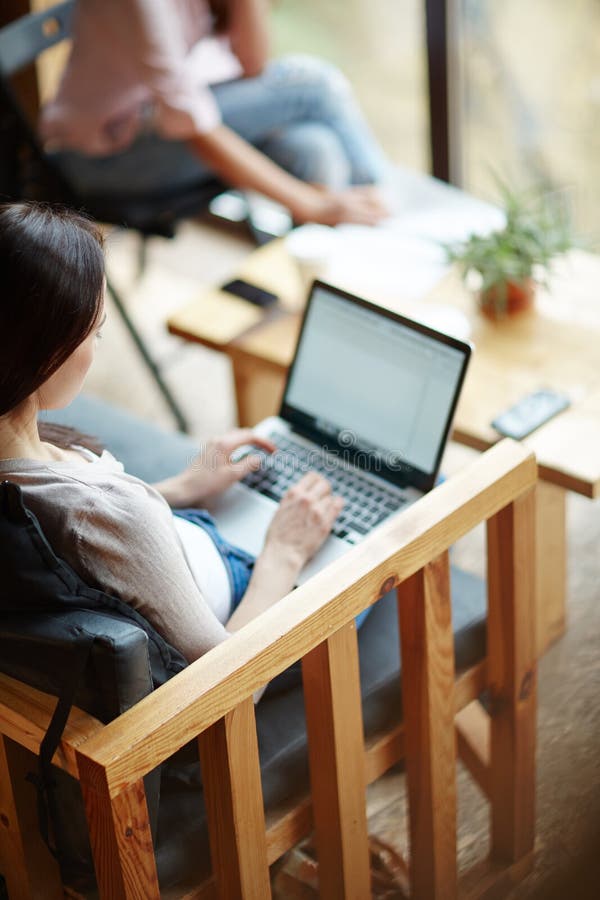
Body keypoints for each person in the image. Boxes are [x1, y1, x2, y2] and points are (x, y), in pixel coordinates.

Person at [0, 200, 344, 666]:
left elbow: (97, 539)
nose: (97, 346)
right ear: (45, 352)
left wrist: (184, 488)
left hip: (177, 550)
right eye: (95, 333)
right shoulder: (95, 511)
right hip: (243, 602)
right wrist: (285, 551)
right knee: (389, 536)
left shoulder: (24, 470)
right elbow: (224, 681)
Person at [39, 0, 390, 227]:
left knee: (314, 147)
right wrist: (315, 207)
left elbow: (253, 64)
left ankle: (326, 293)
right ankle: (390, 216)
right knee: (315, 84)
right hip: (100, 159)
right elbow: (192, 126)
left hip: (157, 123)